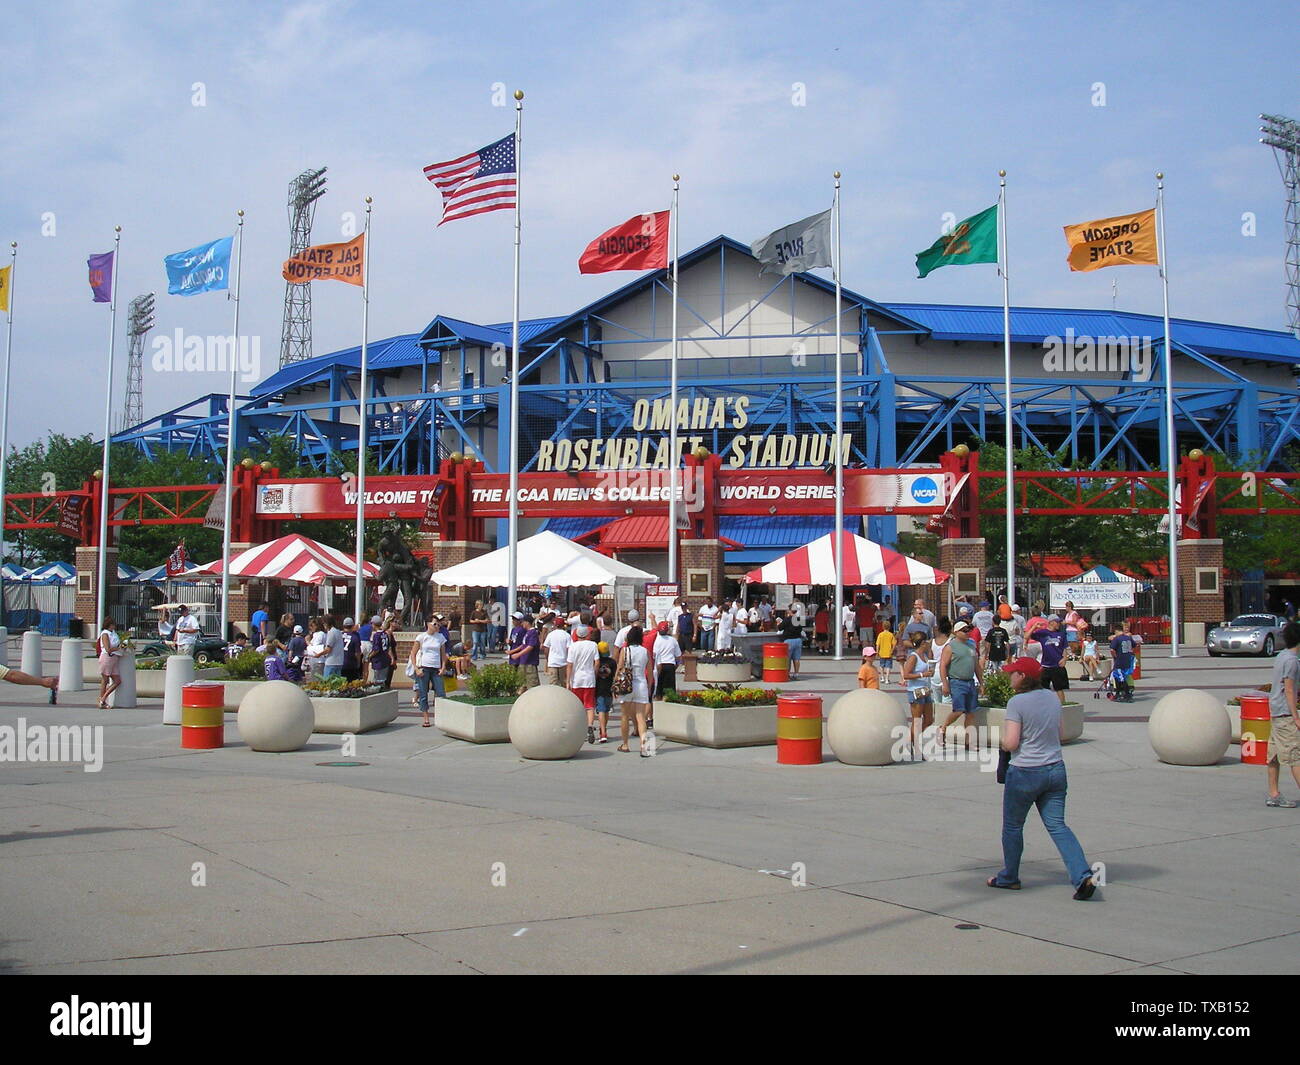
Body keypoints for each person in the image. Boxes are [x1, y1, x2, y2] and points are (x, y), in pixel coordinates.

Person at [987, 656, 1097, 900]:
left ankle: (1010, 877)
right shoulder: (1051, 697)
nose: (1009, 676)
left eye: (1013, 673)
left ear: (1023, 677)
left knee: (1013, 827)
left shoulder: (1017, 702)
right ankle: (1082, 875)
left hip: (1025, 771)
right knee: (1058, 825)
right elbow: (1059, 733)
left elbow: (1012, 742)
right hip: (1055, 769)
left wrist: (1002, 743)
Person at [1265, 621, 1300, 807]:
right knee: (1295, 757)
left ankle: (1274, 794)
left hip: (1276, 712)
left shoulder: (1282, 656)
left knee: (1274, 755)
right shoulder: (1292, 661)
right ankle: (1274, 794)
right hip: (1285, 715)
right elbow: (1289, 689)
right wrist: (1296, 717)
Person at [938, 620, 983, 748]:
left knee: (970, 713)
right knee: (958, 710)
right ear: (956, 632)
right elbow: (943, 666)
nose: (967, 632)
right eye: (964, 630)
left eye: (969, 629)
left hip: (970, 681)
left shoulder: (971, 645)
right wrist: (945, 684)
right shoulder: (950, 646)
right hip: (957, 681)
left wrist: (982, 682)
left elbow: (976, 665)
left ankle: (969, 741)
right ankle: (943, 728)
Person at [614, 625, 653, 756]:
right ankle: (643, 745)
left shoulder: (625, 650)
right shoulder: (645, 651)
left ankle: (625, 744)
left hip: (627, 685)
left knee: (624, 715)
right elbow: (650, 672)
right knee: (641, 716)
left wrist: (615, 684)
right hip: (641, 683)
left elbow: (620, 668)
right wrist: (649, 686)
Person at [901, 632, 935, 761]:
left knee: (929, 718)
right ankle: (916, 747)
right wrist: (922, 675)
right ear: (922, 643)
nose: (928, 644)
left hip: (925, 689)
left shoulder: (925, 655)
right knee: (917, 720)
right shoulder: (913, 657)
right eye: (926, 642)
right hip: (915, 690)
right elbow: (906, 674)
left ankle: (909, 739)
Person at [409, 616, 448, 727]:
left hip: (436, 668)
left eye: (439, 624)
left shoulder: (440, 637)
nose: (437, 626)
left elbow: (443, 654)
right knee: (423, 693)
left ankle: (441, 717)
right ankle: (426, 718)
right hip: (424, 667)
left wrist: (443, 667)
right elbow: (413, 653)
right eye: (435, 624)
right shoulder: (421, 637)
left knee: (440, 693)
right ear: (428, 624)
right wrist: (416, 668)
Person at [566, 626, 600, 743]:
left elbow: (570, 665)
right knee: (589, 705)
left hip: (576, 679)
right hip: (589, 678)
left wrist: (568, 681)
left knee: (578, 706)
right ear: (587, 635)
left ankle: (579, 728)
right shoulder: (593, 645)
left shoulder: (573, 647)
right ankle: (590, 726)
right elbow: (597, 662)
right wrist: (594, 673)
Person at [1034, 616, 1071, 705]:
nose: (1059, 624)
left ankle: (1062, 706)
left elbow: (1065, 648)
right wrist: (1034, 627)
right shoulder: (1043, 633)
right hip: (1046, 665)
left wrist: (1065, 658)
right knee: (1043, 689)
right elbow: (1027, 636)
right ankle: (1044, 706)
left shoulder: (1061, 634)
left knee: (1059, 688)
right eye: (1057, 622)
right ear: (1051, 622)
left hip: (1057, 665)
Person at [96, 616, 123, 710]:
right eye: (112, 625)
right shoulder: (105, 634)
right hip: (107, 658)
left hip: (114, 658)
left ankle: (102, 699)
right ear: (109, 625)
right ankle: (102, 701)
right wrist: (119, 648)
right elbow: (108, 649)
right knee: (105, 680)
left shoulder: (113, 633)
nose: (114, 626)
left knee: (117, 681)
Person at [508, 614, 541, 689]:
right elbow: (523, 645)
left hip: (530, 663)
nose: (522, 624)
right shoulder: (527, 632)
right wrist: (513, 651)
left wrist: (518, 654)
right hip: (523, 662)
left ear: (527, 622)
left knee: (532, 685)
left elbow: (530, 646)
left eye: (523, 622)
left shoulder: (533, 632)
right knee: (521, 684)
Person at [652, 620, 681, 701]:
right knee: (670, 689)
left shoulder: (657, 640)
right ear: (667, 630)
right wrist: (676, 665)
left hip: (660, 665)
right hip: (670, 664)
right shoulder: (673, 640)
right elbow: (678, 656)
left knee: (659, 688)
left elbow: (654, 654)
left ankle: (659, 702)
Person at [593, 641, 615, 744]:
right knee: (606, 710)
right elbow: (614, 675)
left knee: (601, 710)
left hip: (599, 688)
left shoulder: (596, 662)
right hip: (609, 688)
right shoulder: (612, 662)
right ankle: (603, 729)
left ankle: (603, 732)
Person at [1107, 622, 1136, 702]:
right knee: (1118, 677)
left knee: (1121, 678)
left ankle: (1127, 695)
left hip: (1119, 661)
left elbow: (1112, 649)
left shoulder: (1117, 639)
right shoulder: (1128, 638)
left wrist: (1115, 656)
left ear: (1116, 631)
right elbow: (1134, 645)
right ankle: (1118, 693)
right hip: (1127, 660)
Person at [542, 616, 571, 685]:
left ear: (555, 625)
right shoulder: (567, 635)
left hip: (553, 662)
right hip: (563, 662)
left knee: (553, 684)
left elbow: (546, 648)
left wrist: (548, 658)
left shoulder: (551, 635)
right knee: (563, 684)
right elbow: (569, 649)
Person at [368, 618, 395, 690]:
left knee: (377, 680)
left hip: (378, 660)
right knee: (383, 679)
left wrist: (369, 656)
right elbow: (388, 647)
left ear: (374, 624)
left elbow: (376, 650)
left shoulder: (377, 635)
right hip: (385, 659)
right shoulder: (385, 634)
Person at [778, 610, 803, 679]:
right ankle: (796, 674)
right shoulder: (799, 619)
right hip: (798, 640)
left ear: (790, 611)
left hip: (788, 640)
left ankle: (787, 674)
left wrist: (778, 623)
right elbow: (801, 629)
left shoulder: (787, 619)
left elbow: (780, 628)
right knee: (796, 658)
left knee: (787, 659)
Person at [340, 617, 363, 683]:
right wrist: (358, 663)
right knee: (352, 684)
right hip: (351, 664)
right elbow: (357, 653)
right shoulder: (355, 636)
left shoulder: (340, 635)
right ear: (352, 625)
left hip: (340, 663)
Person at [875, 620, 897, 684]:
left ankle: (882, 677)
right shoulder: (891, 635)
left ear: (883, 627)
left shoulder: (880, 635)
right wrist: (892, 650)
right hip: (889, 653)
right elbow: (894, 643)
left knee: (881, 665)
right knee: (888, 666)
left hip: (882, 653)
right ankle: (887, 679)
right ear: (889, 627)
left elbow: (877, 644)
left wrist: (877, 652)